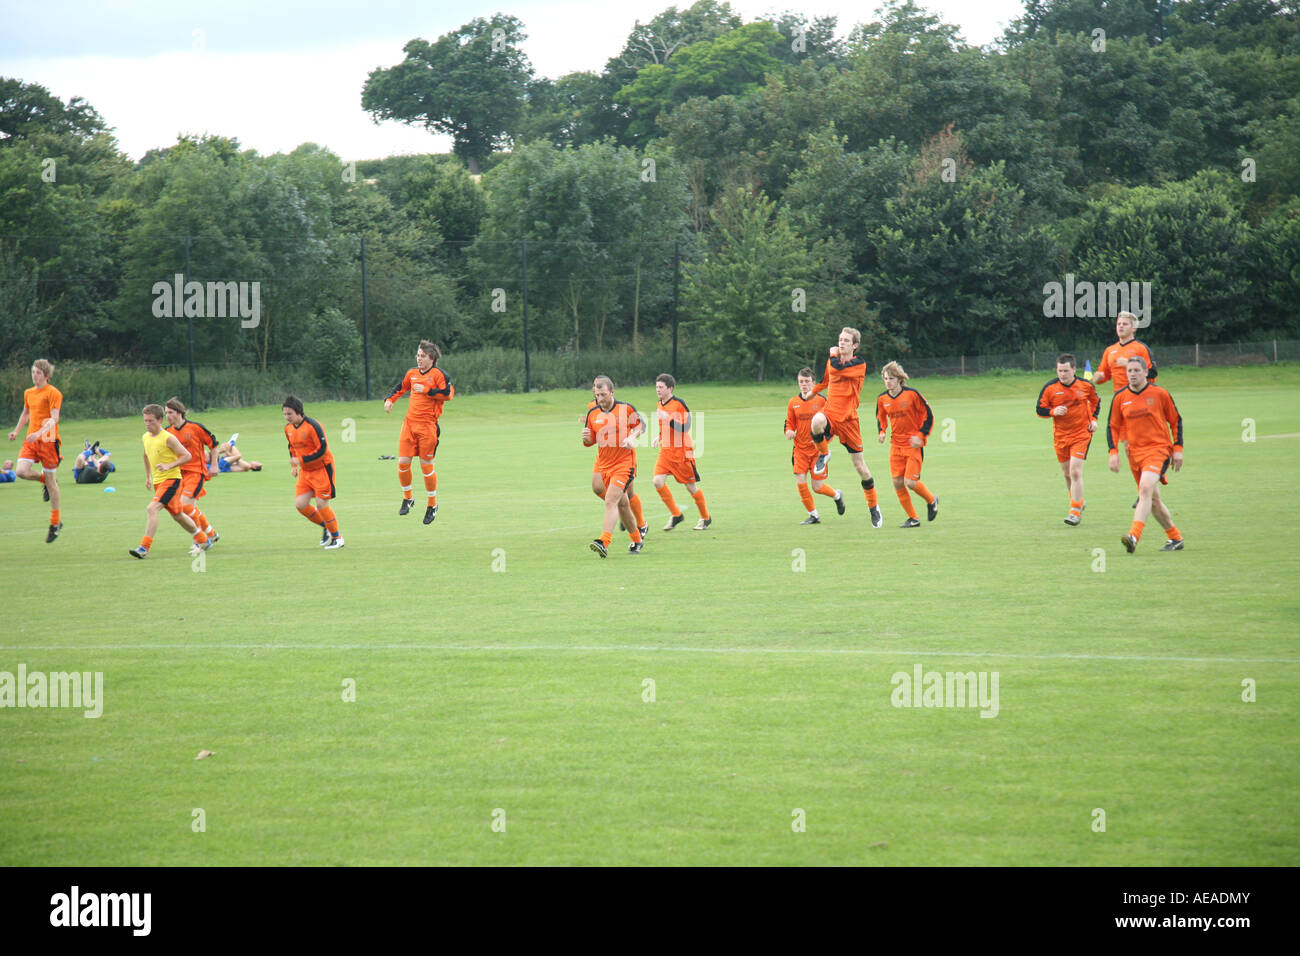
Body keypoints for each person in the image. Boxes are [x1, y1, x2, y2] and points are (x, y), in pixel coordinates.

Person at [1107, 356, 1185, 554]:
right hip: (1134, 454)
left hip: (1158, 450)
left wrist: (1178, 449)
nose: (1132, 374)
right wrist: (1113, 452)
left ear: (1145, 372)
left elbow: (1175, 420)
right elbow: (1112, 426)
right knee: (1152, 500)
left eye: (1136, 371)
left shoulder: (1159, 394)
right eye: (1129, 371)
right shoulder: (1120, 397)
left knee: (1144, 489)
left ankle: (1133, 536)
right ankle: (1175, 538)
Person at [810, 327, 883, 528]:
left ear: (855, 345)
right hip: (831, 414)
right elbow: (827, 378)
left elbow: (837, 369)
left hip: (849, 420)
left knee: (861, 467)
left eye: (846, 341)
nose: (841, 343)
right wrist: (812, 392)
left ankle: (873, 507)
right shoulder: (832, 360)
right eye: (840, 339)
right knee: (816, 421)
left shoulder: (859, 364)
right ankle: (824, 454)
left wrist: (833, 353)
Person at [384, 340, 453, 525]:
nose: (419, 358)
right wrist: (390, 400)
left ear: (431, 358)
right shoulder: (412, 373)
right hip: (409, 425)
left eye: (422, 356)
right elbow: (402, 386)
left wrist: (427, 390)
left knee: (426, 466)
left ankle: (432, 504)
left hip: (427, 427)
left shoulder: (439, 375)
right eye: (418, 355)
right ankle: (408, 498)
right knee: (402, 463)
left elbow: (448, 393)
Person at [128, 404, 209, 558]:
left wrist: (169, 465)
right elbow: (146, 455)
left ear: (160, 420)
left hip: (171, 480)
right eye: (145, 421)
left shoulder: (168, 438)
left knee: (152, 509)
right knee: (177, 515)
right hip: (159, 481)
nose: (147, 424)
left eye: (151, 421)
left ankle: (144, 548)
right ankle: (202, 539)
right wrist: (148, 477)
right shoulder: (145, 437)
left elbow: (187, 456)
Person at [582, 376, 645, 557]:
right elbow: (590, 440)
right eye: (597, 394)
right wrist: (586, 438)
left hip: (624, 464)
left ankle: (604, 541)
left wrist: (632, 438)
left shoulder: (625, 409)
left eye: (603, 394)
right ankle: (637, 539)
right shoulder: (592, 412)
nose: (600, 398)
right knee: (621, 503)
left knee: (611, 500)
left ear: (612, 392)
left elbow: (640, 425)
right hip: (603, 464)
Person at [1035, 354, 1100, 526]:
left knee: (1075, 471)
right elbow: (1040, 409)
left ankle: (1074, 511)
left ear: (1074, 369)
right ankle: (1078, 500)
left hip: (1081, 434)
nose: (1062, 374)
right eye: (1059, 371)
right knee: (1066, 474)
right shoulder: (1050, 388)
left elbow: (1095, 402)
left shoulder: (1085, 386)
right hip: (1061, 437)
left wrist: (1094, 420)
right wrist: (1052, 412)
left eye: (1065, 371)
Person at [875, 361, 938, 528]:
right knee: (897, 482)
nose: (888, 381)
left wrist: (920, 435)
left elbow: (928, 415)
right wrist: (882, 432)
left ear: (899, 379)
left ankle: (931, 500)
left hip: (913, 445)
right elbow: (880, 417)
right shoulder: (882, 399)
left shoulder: (912, 394)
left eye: (891, 378)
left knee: (910, 482)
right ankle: (913, 518)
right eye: (885, 378)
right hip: (895, 445)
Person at [6, 358, 63, 542]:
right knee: (21, 471)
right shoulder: (28, 392)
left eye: (38, 372)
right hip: (31, 439)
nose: (34, 375)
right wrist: (16, 430)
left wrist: (39, 433)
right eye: (32, 371)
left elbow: (54, 418)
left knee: (53, 482)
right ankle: (43, 480)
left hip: (47, 440)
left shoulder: (54, 393)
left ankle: (55, 523)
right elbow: (26, 413)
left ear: (46, 375)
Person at [651, 374, 711, 531]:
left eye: (661, 387)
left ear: (670, 388)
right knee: (657, 481)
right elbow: (664, 426)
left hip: (682, 452)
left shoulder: (679, 404)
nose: (658, 390)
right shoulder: (659, 404)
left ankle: (705, 518)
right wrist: (659, 437)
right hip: (666, 452)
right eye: (657, 387)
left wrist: (669, 419)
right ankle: (676, 514)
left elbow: (685, 427)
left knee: (690, 487)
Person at [283, 395, 343, 549]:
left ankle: (338, 538)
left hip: (322, 468)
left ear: (298, 412)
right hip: (306, 472)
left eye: (289, 414)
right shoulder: (288, 429)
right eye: (284, 414)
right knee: (301, 504)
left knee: (321, 503)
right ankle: (326, 527)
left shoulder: (313, 426)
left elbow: (323, 450)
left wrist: (300, 461)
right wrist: (294, 466)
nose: (286, 417)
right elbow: (292, 447)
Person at [785, 367, 844, 524]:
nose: (803, 385)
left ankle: (837, 495)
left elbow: (832, 426)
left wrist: (822, 441)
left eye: (806, 382)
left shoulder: (822, 401)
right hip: (799, 451)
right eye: (801, 382)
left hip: (818, 453)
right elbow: (789, 422)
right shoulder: (793, 403)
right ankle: (814, 515)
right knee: (800, 482)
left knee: (817, 487)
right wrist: (789, 431)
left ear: (813, 383)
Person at [164, 397, 220, 545]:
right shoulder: (167, 432)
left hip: (196, 473)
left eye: (170, 412)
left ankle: (202, 539)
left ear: (179, 413)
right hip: (178, 476)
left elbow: (213, 445)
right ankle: (211, 533)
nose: (167, 416)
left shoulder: (195, 428)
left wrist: (214, 465)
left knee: (186, 506)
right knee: (188, 508)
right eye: (166, 413)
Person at [1093, 312, 1157, 393]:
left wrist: (1129, 364)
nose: (1121, 326)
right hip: (1119, 396)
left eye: (1125, 324)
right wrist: (1098, 378)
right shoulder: (1109, 350)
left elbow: (1153, 373)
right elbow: (1104, 374)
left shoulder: (1141, 348)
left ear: (1134, 328)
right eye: (1118, 324)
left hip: (1140, 394)